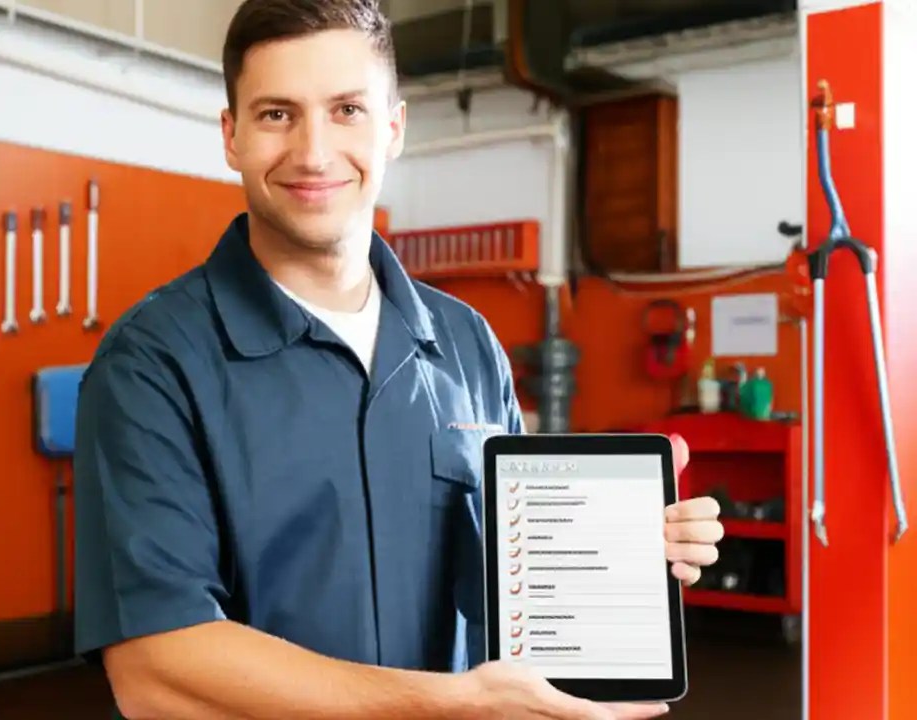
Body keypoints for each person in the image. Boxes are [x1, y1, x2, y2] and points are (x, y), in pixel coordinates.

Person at [72, 1, 723, 718]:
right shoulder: (152, 364)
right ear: (232, 136)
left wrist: (619, 560)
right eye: (277, 114)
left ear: (394, 128)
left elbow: (512, 594)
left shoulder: (468, 345)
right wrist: (446, 706)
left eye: (347, 109)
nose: (313, 152)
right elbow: (156, 669)